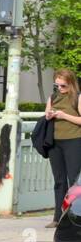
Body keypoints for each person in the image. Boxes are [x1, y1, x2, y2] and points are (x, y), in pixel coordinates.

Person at [45, 68, 81, 226]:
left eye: (63, 86)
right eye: (57, 85)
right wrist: (49, 115)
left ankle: (75, 216)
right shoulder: (52, 97)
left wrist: (64, 115)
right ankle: (57, 217)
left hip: (74, 141)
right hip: (55, 143)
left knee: (74, 180)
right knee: (59, 180)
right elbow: (46, 115)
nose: (60, 89)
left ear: (71, 84)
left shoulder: (78, 98)